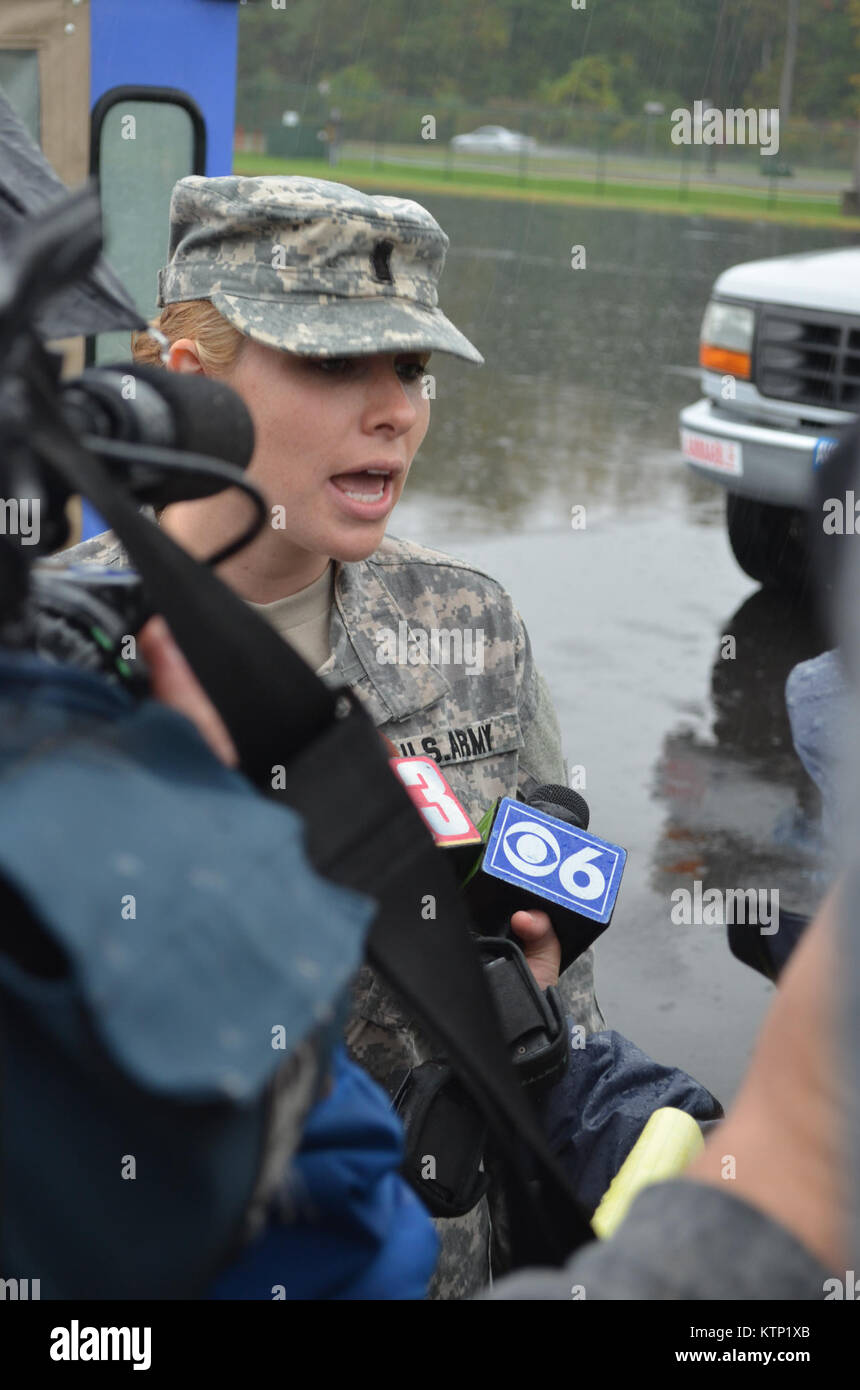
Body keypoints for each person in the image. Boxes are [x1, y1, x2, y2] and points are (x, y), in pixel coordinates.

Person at [62, 174, 604, 1298]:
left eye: (409, 367)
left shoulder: (471, 626)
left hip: (439, 1259)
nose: (395, 409)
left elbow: (565, 1000)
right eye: (329, 362)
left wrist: (543, 1005)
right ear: (184, 379)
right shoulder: (52, 654)